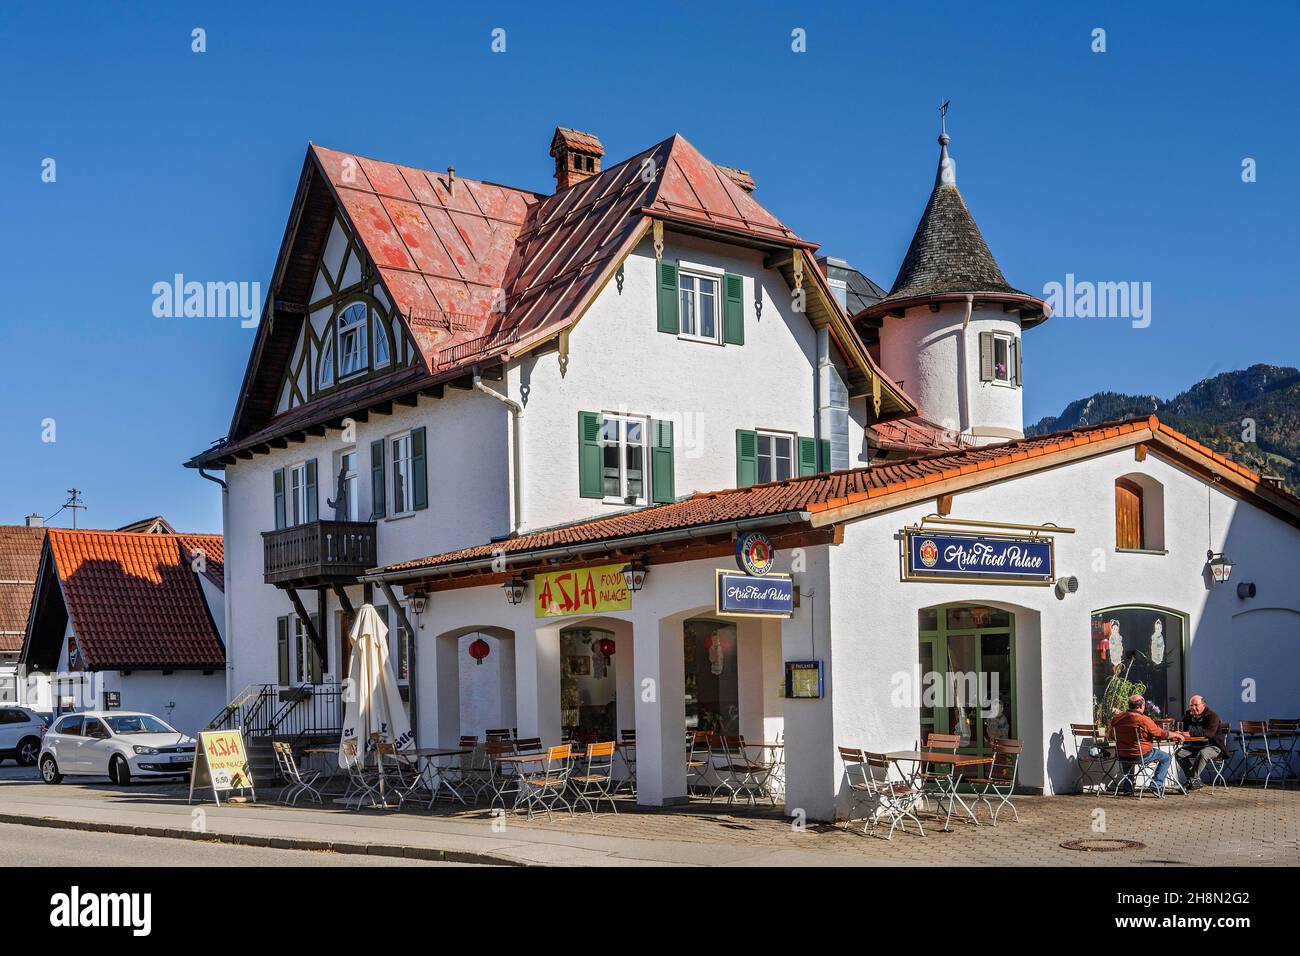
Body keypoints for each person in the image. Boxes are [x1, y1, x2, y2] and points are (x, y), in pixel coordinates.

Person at [1108, 694, 1186, 796]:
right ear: (1142, 706)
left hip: (1122, 754)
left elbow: (1111, 735)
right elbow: (1160, 733)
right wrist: (1175, 734)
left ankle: (1128, 788)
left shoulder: (1117, 718)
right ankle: (1156, 785)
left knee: (1128, 755)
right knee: (1166, 757)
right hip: (1141, 754)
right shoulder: (1143, 719)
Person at [1176, 695, 1229, 790]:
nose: (1193, 708)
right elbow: (1181, 726)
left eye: (1196, 705)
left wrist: (1190, 733)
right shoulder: (1188, 714)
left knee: (1203, 753)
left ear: (1203, 705)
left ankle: (1192, 780)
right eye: (1191, 705)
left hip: (1213, 747)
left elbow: (1209, 733)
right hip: (1195, 746)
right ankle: (1195, 780)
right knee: (1179, 753)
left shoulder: (1212, 716)